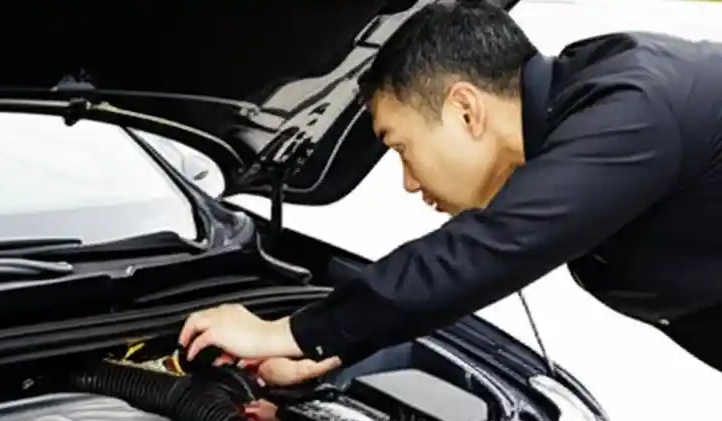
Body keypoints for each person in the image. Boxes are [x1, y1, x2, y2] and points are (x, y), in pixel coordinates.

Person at [180, 0, 722, 386]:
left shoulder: (635, 104)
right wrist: (333, 346)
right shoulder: (579, 111)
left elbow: (485, 250)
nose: (409, 181)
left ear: (466, 109)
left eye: (400, 147)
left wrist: (290, 333)